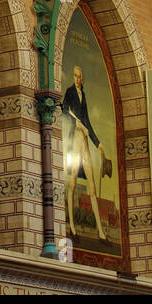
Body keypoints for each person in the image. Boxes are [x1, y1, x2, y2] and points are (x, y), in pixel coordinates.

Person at [62, 64, 108, 242]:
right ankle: (72, 227)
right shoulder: (70, 92)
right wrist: (78, 124)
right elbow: (65, 109)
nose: (78, 79)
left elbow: (87, 119)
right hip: (75, 141)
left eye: (80, 76)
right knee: (72, 183)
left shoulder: (84, 95)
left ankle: (100, 230)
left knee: (93, 187)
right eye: (75, 76)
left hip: (86, 144)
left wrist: (98, 143)